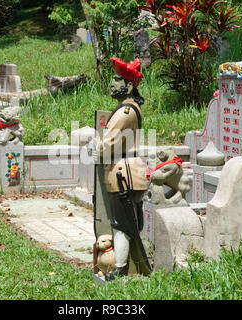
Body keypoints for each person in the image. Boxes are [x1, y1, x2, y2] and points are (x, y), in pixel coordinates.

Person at [98, 57, 151, 280]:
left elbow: (108, 145)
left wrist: (94, 148)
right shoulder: (128, 109)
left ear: (129, 85)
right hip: (128, 172)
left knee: (121, 225)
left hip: (122, 174)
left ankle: (120, 269)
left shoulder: (124, 113)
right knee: (128, 224)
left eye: (117, 79)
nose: (112, 83)